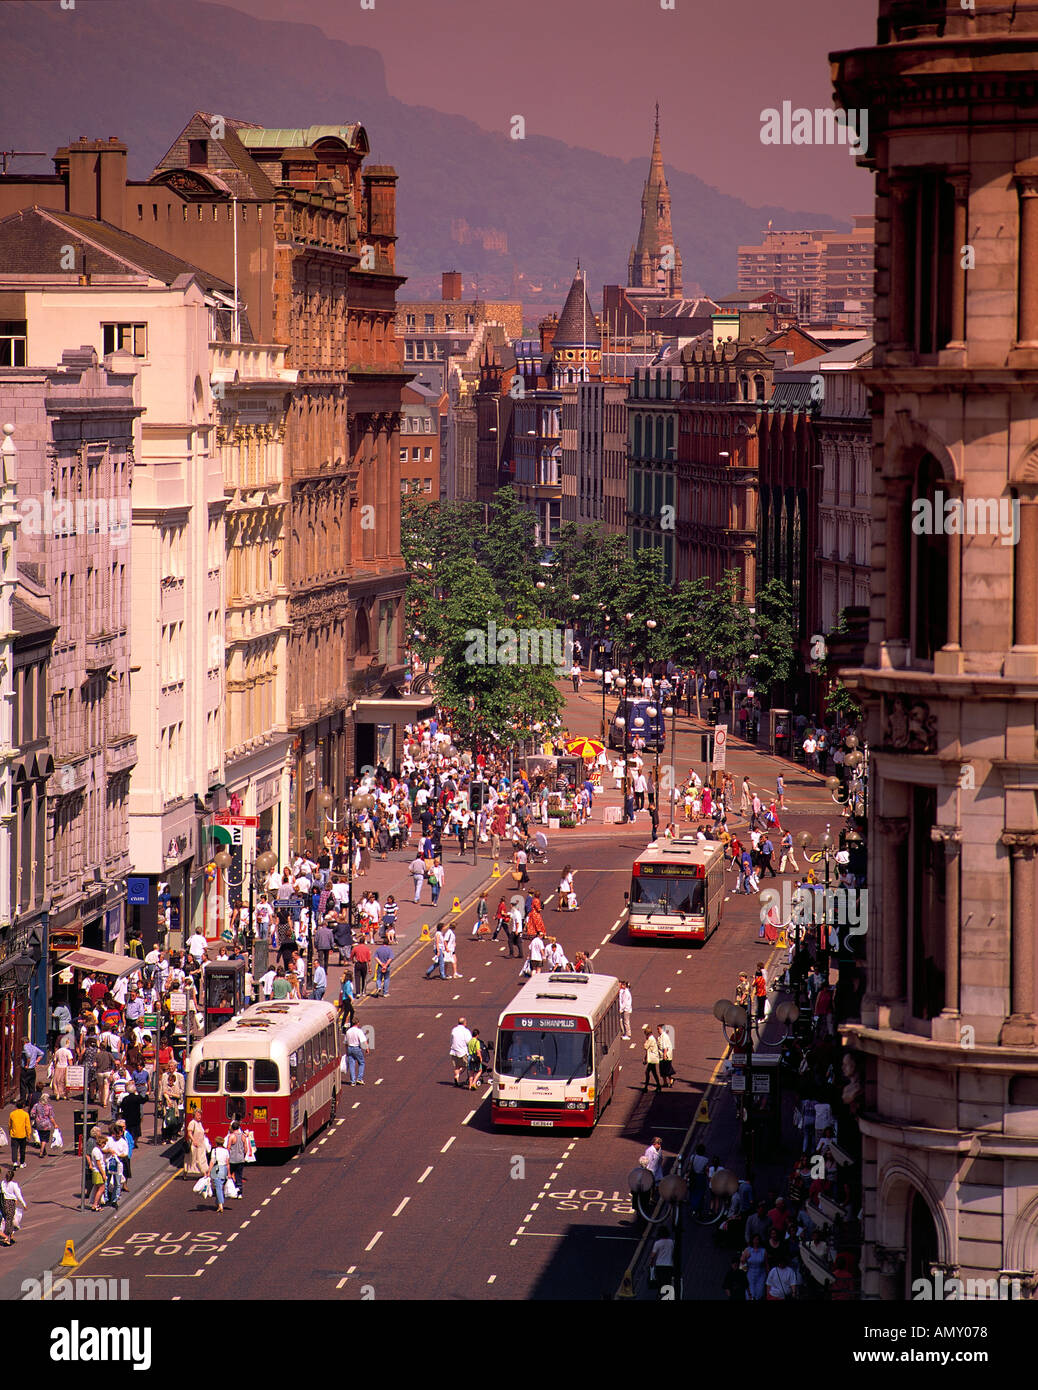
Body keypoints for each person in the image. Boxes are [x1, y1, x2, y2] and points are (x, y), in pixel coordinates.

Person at [0, 1165, 26, 1244]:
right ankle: (7, 1237)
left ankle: (11, 1236)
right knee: (9, 1220)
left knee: (7, 1219)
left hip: (4, 1202)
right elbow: (18, 1195)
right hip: (11, 1202)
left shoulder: (3, 1183)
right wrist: (24, 1204)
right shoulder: (14, 1185)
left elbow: (2, 1192)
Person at [740, 1233, 768, 1300]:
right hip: (750, 1274)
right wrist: (745, 1259)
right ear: (752, 1240)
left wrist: (769, 1276)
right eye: (755, 1240)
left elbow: (766, 1264)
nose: (756, 1241)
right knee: (750, 1293)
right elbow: (742, 1263)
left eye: (758, 1240)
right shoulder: (747, 1250)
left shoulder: (763, 1251)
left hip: (761, 1274)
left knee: (759, 1293)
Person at [225, 1120, 248, 1197]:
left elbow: (228, 1148)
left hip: (232, 1160)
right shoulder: (243, 1136)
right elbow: (246, 1149)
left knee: (228, 1175)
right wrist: (243, 1156)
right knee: (239, 1176)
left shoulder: (231, 1136)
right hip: (240, 1160)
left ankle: (230, 1190)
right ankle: (240, 1193)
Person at [30, 1093, 57, 1158]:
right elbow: (51, 1117)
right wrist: (55, 1124)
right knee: (44, 1139)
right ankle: (41, 1152)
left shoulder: (36, 1105)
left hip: (38, 1124)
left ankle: (44, 1151)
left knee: (41, 1137)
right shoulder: (49, 1107)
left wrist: (37, 1116)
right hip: (47, 1125)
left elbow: (32, 1113)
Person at [208, 1135, 230, 1213]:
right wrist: (229, 1173)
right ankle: (217, 1202)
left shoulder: (214, 1151)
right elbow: (227, 1163)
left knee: (218, 1187)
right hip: (224, 1169)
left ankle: (220, 1205)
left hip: (216, 1168)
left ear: (216, 1143)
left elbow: (212, 1162)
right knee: (220, 1186)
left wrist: (208, 1172)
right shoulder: (226, 1151)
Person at [7, 1098, 31, 1168]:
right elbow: (27, 1125)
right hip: (22, 1135)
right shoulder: (25, 1114)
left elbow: (9, 1124)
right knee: (22, 1150)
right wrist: (28, 1134)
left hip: (14, 1134)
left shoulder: (12, 1114)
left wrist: (10, 1131)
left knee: (14, 1149)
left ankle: (14, 1162)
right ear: (23, 1106)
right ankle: (22, 1163)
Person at [449, 1017, 472, 1088]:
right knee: (466, 1065)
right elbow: (469, 1042)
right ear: (464, 1023)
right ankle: (459, 1075)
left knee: (457, 1066)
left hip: (454, 1051)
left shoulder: (454, 1030)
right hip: (463, 1051)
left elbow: (451, 1039)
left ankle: (456, 1076)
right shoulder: (466, 1031)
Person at [641, 1026, 662, 1094]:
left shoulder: (650, 1039)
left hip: (652, 1059)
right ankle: (658, 1086)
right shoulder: (652, 1038)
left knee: (647, 1072)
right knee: (653, 1072)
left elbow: (645, 1047)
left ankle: (646, 1087)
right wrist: (645, 1058)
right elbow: (648, 1050)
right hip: (653, 1058)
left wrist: (646, 1040)